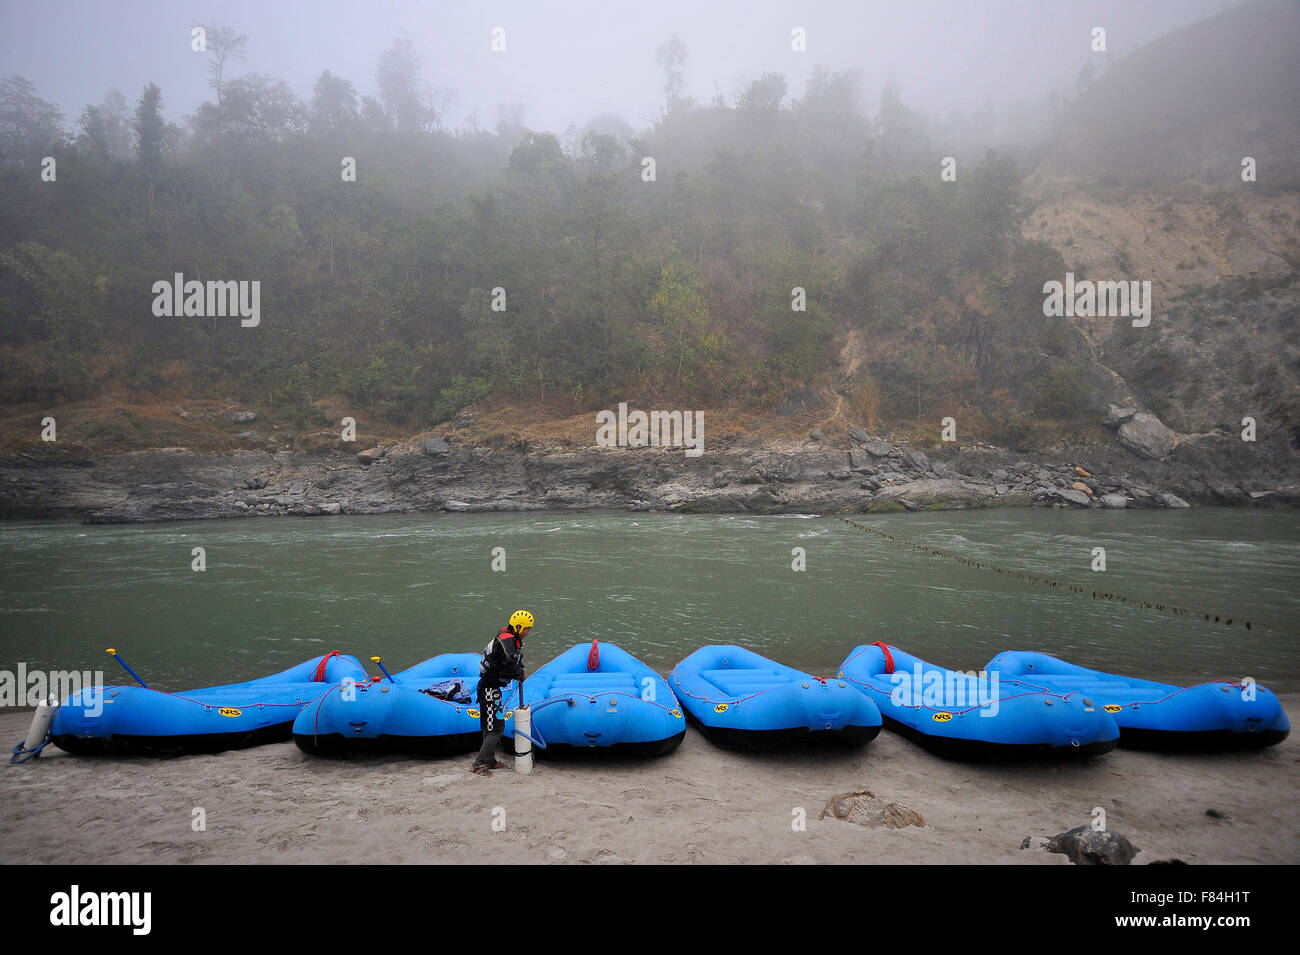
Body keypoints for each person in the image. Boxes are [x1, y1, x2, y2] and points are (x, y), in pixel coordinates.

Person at [471, 609, 533, 776]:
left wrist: (520, 670)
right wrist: (520, 675)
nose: (528, 632)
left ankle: (489, 760)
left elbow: (513, 660)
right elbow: (508, 664)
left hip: (489, 687)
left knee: (488, 725)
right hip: (489, 689)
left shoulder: (509, 638)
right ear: (518, 627)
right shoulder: (507, 641)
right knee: (497, 728)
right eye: (527, 629)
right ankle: (479, 763)